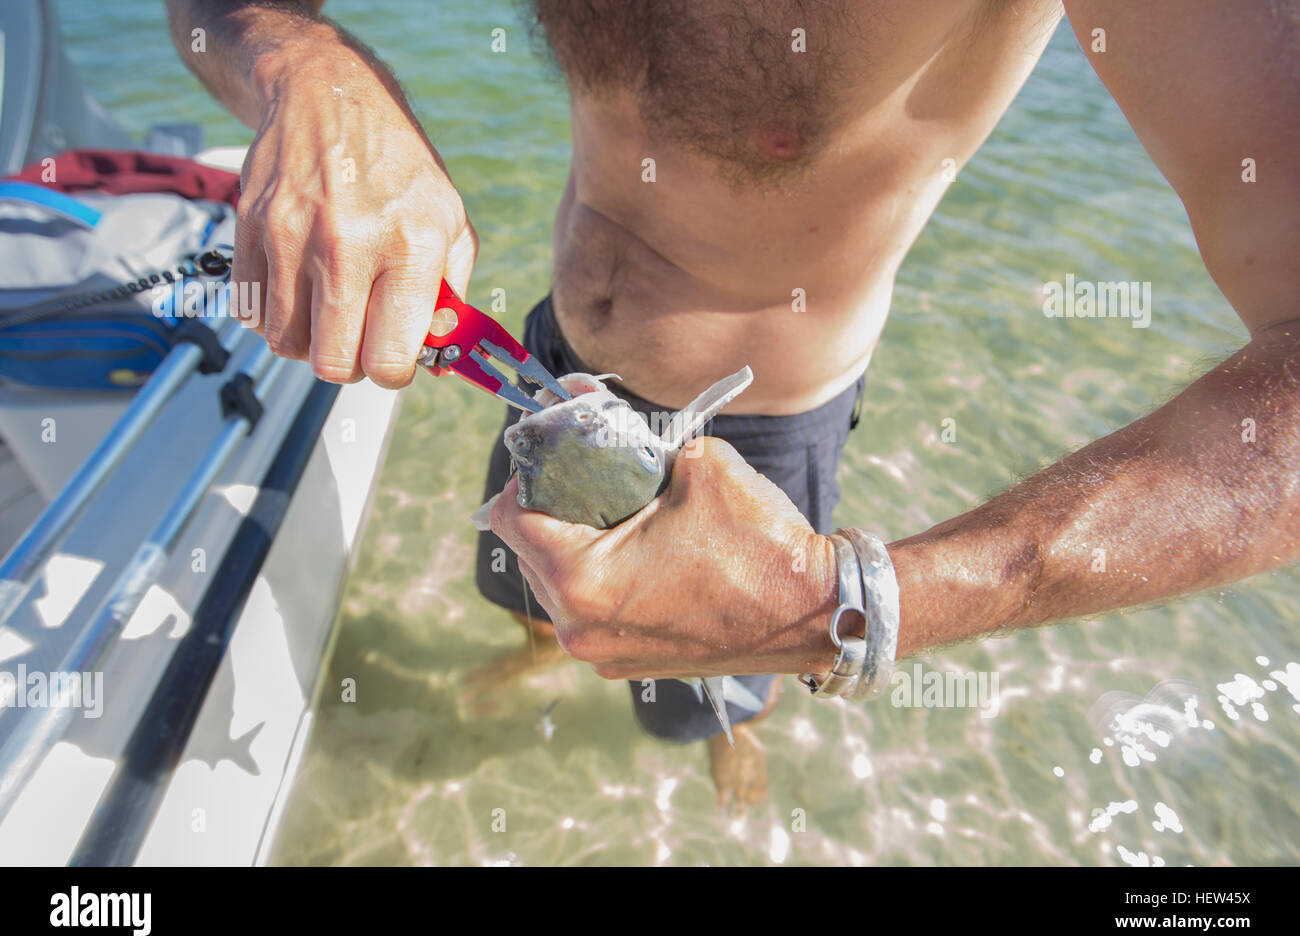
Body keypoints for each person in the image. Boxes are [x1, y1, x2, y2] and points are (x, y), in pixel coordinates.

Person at [168, 0, 1300, 807]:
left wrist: (852, 603)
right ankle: (539, 651)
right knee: (524, 587)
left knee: (705, 697)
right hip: (550, 363)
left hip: (758, 430)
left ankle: (730, 742)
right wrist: (307, 67)